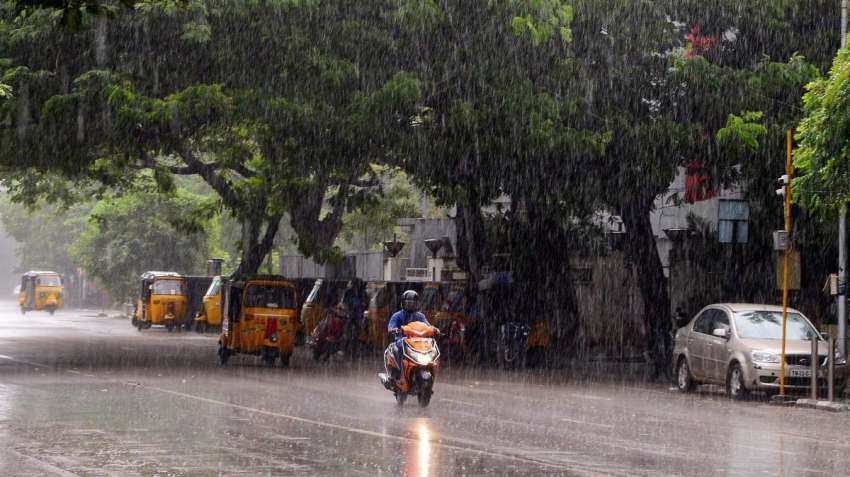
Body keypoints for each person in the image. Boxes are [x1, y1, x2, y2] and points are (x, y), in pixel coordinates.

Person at [386, 290, 430, 383]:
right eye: (408, 303)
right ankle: (399, 371)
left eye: (413, 303)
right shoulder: (397, 315)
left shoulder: (420, 316)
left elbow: (427, 325)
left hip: (418, 341)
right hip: (402, 340)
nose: (411, 305)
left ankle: (425, 366)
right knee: (400, 347)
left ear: (417, 304)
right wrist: (394, 329)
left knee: (429, 347)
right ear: (403, 303)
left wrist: (434, 330)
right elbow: (391, 327)